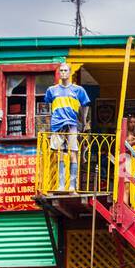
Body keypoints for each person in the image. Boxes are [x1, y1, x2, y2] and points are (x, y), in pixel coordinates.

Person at [44, 61, 90, 192]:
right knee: (59, 154)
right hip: (57, 125)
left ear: (70, 73)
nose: (63, 73)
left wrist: (84, 122)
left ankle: (72, 185)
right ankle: (61, 184)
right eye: (61, 70)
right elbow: (48, 106)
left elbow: (85, 105)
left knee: (73, 154)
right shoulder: (52, 90)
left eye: (65, 70)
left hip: (72, 124)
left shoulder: (78, 90)